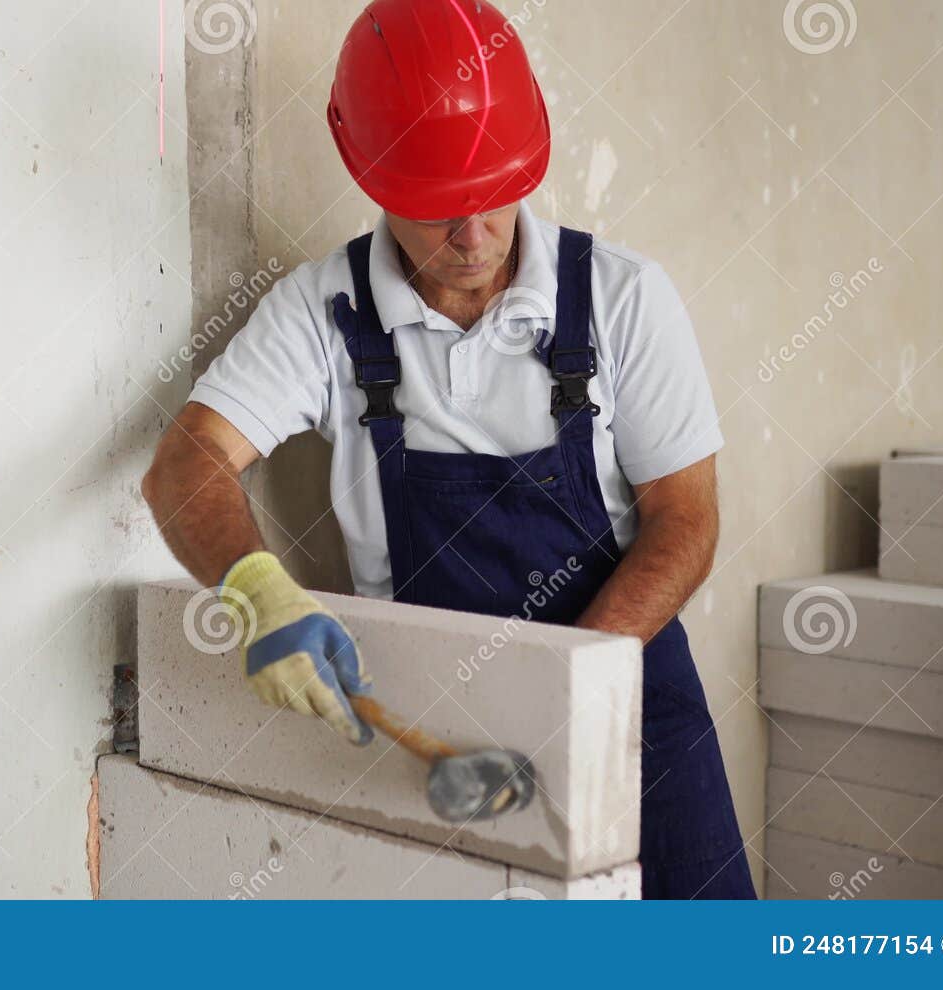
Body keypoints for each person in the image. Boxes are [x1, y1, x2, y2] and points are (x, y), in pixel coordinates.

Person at [142, 0, 754, 899]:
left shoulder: (623, 298)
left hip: (628, 712)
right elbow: (184, 464)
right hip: (442, 727)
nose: (472, 238)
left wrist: (565, 692)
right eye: (436, 211)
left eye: (491, 199)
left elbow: (687, 521)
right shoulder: (323, 313)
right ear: (374, 180)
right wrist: (256, 591)